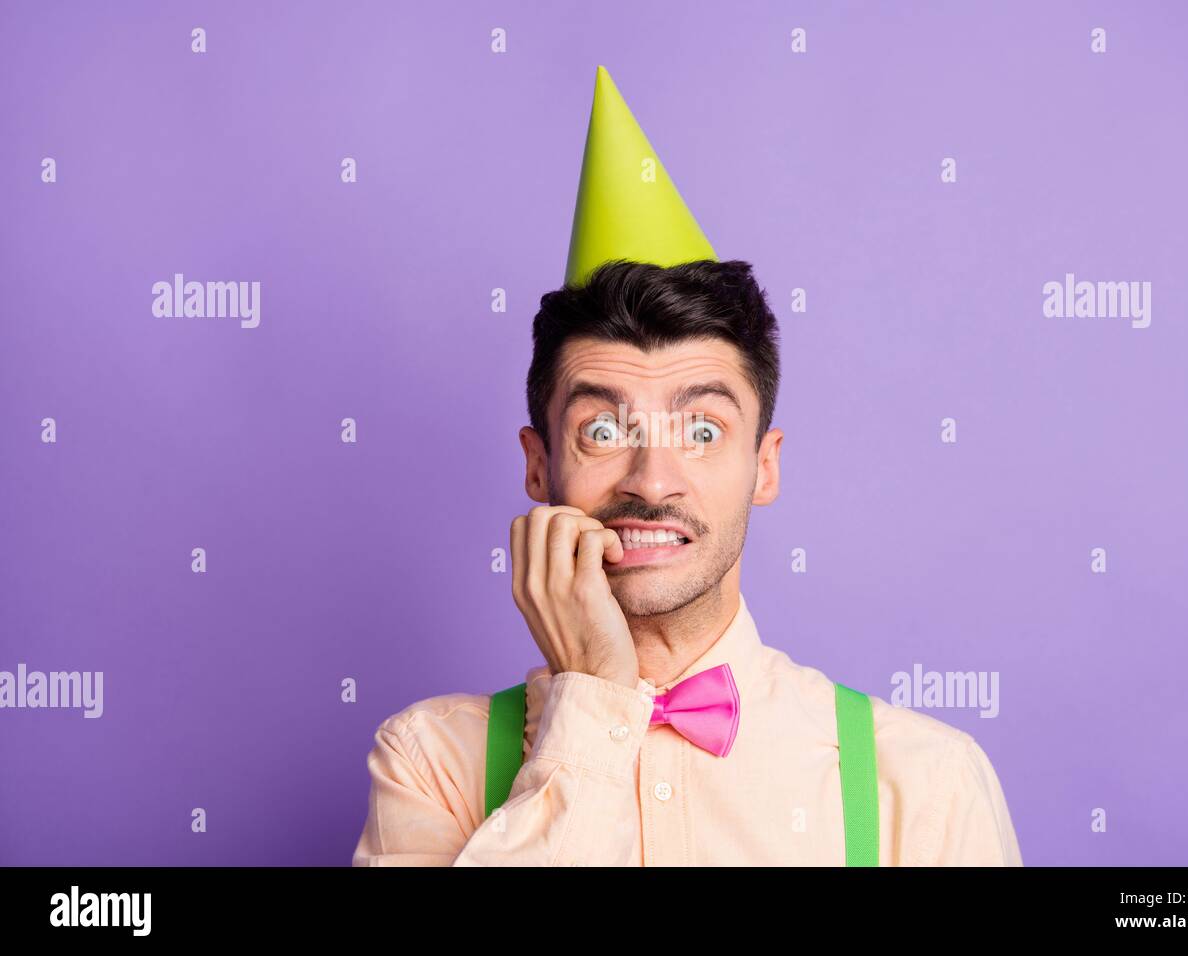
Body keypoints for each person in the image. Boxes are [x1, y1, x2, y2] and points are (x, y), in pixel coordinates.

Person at [351, 65, 1022, 867]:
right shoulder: (432, 761)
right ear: (538, 467)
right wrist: (596, 698)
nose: (652, 479)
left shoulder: (926, 783)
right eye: (602, 428)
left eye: (701, 431)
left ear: (763, 466)